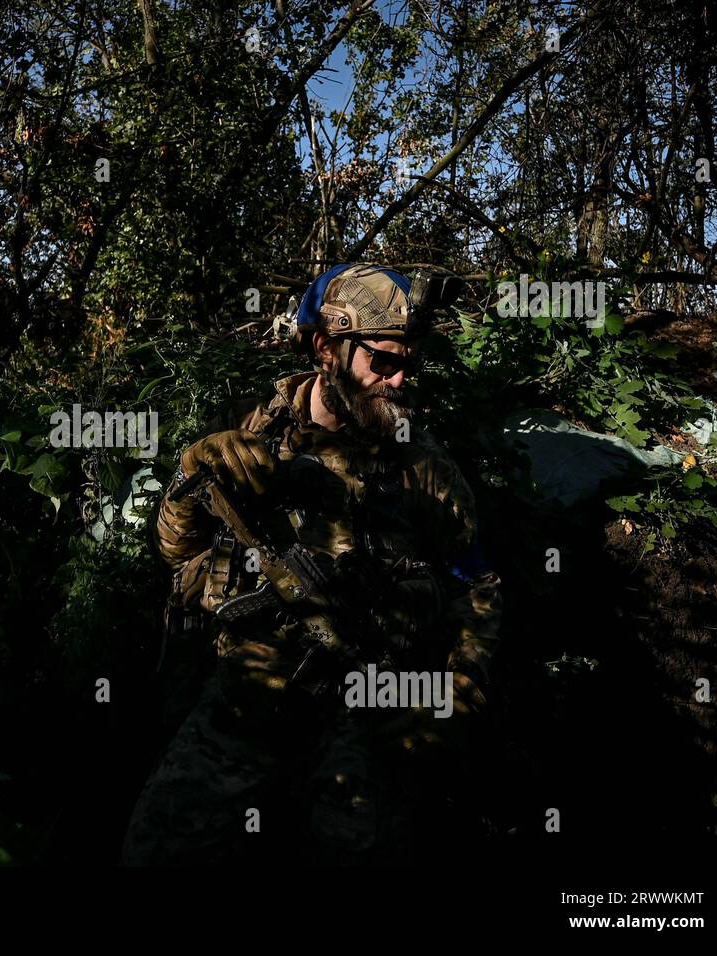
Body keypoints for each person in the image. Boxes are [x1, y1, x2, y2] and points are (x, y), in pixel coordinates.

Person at [122, 263, 502, 865]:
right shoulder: (246, 428)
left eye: (409, 362)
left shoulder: (424, 467)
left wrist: (457, 694)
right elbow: (176, 554)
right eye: (382, 362)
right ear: (326, 346)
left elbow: (474, 586)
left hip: (367, 720)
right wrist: (186, 481)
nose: (400, 379)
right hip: (244, 705)